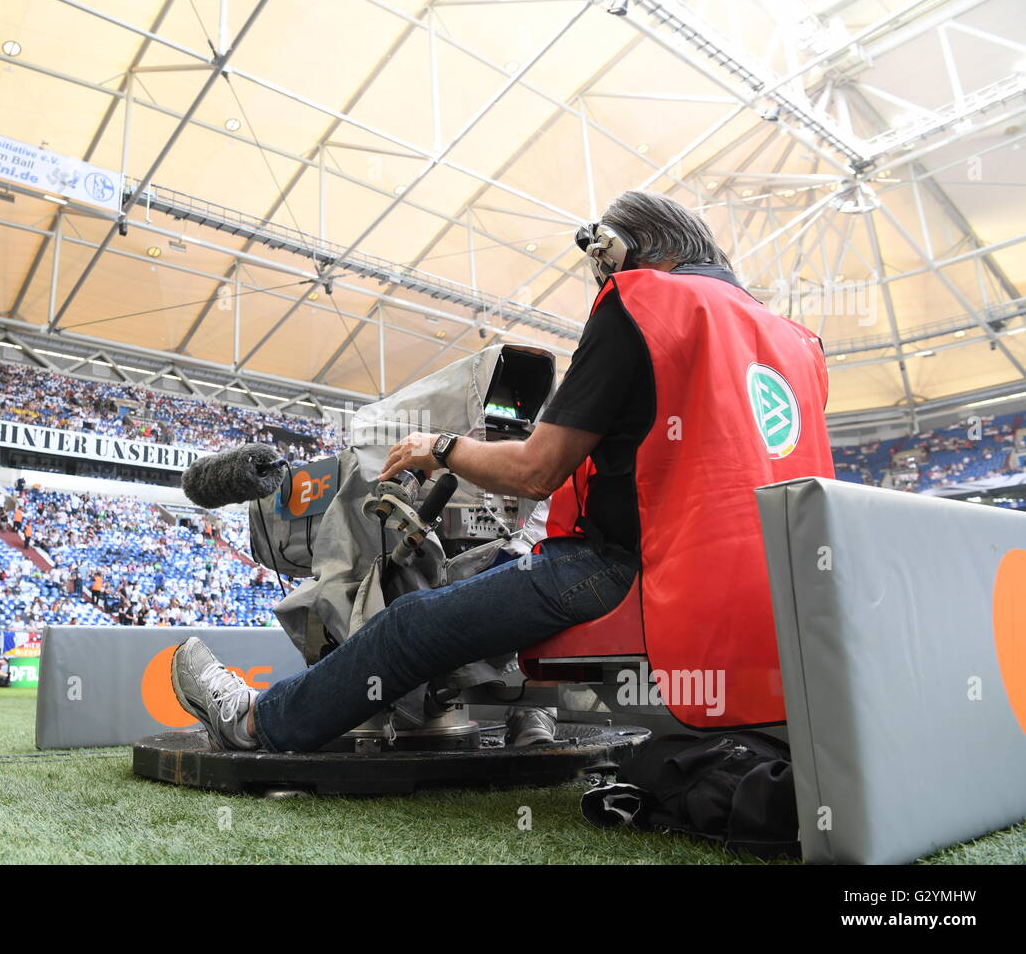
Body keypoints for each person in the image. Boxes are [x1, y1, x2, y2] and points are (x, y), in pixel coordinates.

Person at [167, 190, 834, 753]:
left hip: (637, 565)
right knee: (500, 564)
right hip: (776, 579)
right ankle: (527, 713)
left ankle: (255, 722)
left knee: (412, 623)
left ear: (620, 251)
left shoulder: (643, 302)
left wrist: (440, 449)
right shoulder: (792, 339)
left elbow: (538, 470)